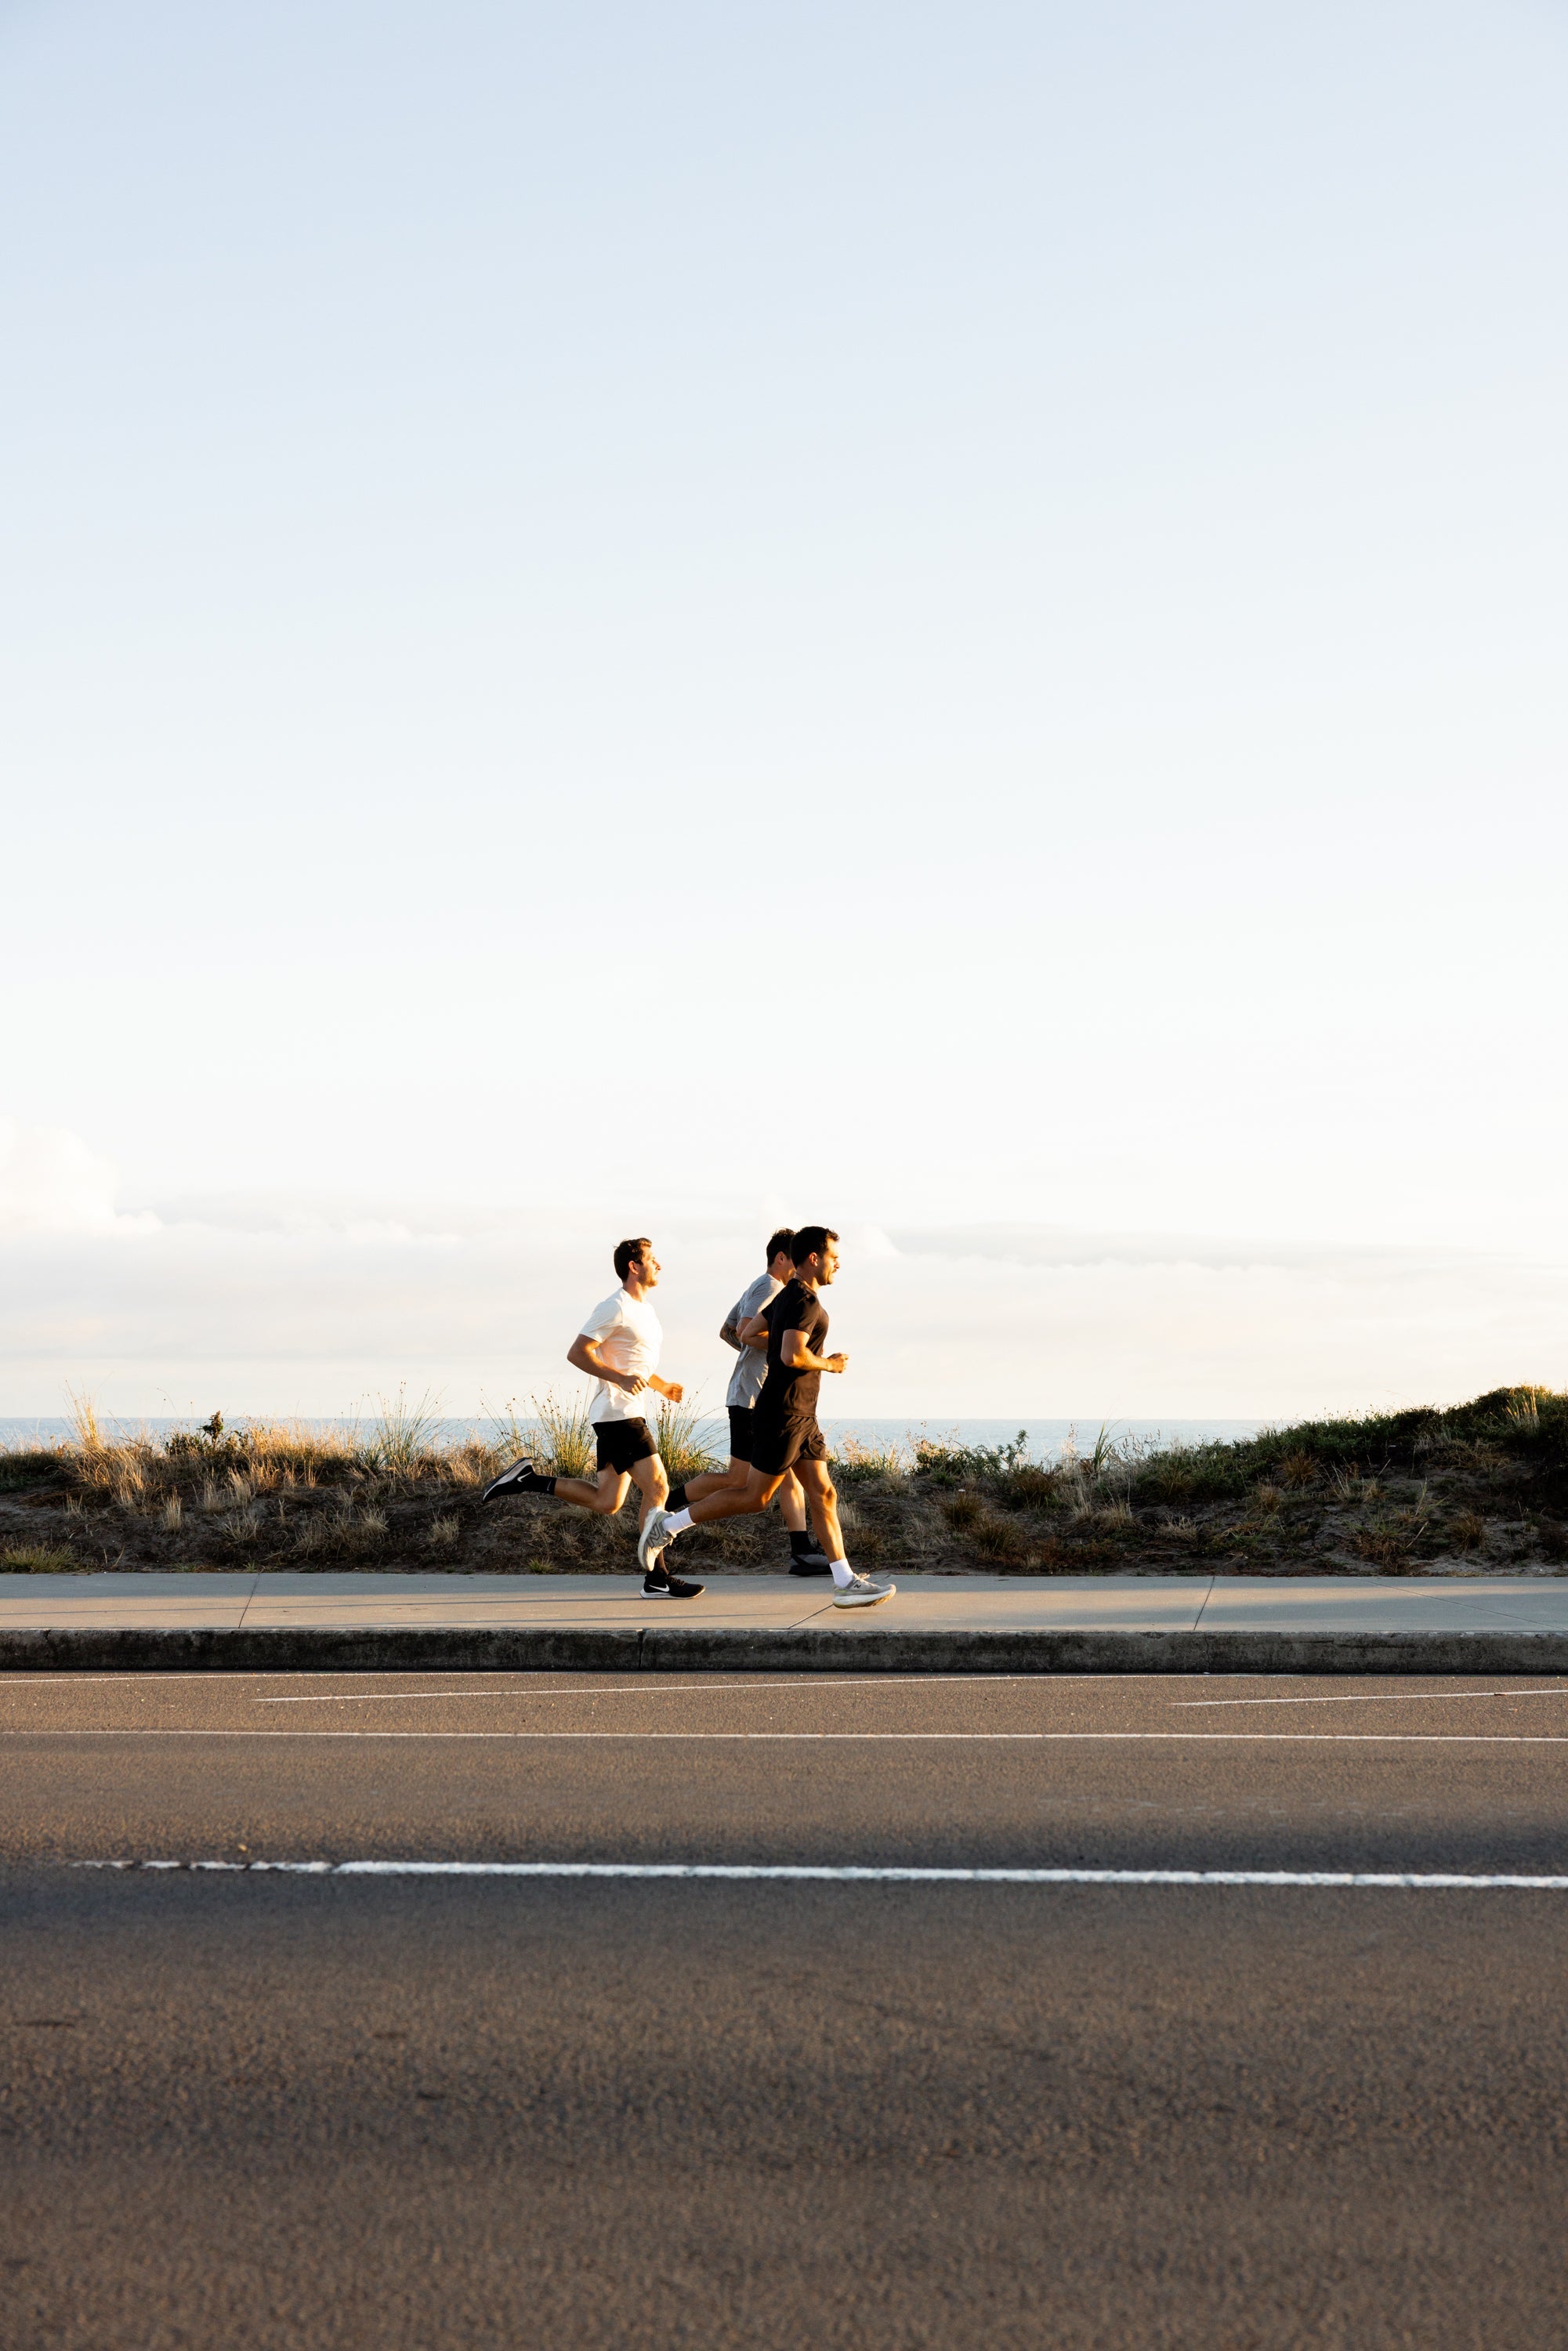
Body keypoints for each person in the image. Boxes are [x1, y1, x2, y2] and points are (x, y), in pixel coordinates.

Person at [637, 1226, 895, 1609]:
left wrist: (784, 1341)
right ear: (813, 1258)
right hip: (784, 1413)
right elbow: (792, 1355)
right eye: (833, 1257)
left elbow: (750, 1330)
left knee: (823, 1492)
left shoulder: (790, 1295)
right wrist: (830, 1364)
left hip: (802, 1414)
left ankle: (844, 1582)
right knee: (753, 1496)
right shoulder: (803, 1301)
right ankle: (667, 1526)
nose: (837, 1264)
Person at [481, 1237, 704, 1600]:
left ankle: (527, 1479)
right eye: (653, 1259)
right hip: (619, 1415)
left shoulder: (644, 1309)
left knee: (608, 1501)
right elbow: (577, 1352)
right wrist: (618, 1379)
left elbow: (632, 1362)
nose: (659, 1265)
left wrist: (661, 1386)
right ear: (634, 1266)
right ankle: (657, 1577)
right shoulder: (614, 1306)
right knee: (659, 1487)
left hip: (620, 1412)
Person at [664, 1227, 834, 1575]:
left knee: (786, 1479)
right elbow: (743, 1330)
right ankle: (667, 1508)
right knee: (740, 1482)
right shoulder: (769, 1287)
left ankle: (802, 1549)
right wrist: (784, 1350)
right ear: (782, 1257)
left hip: (762, 1396)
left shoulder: (773, 1290)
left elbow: (729, 1331)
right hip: (755, 1397)